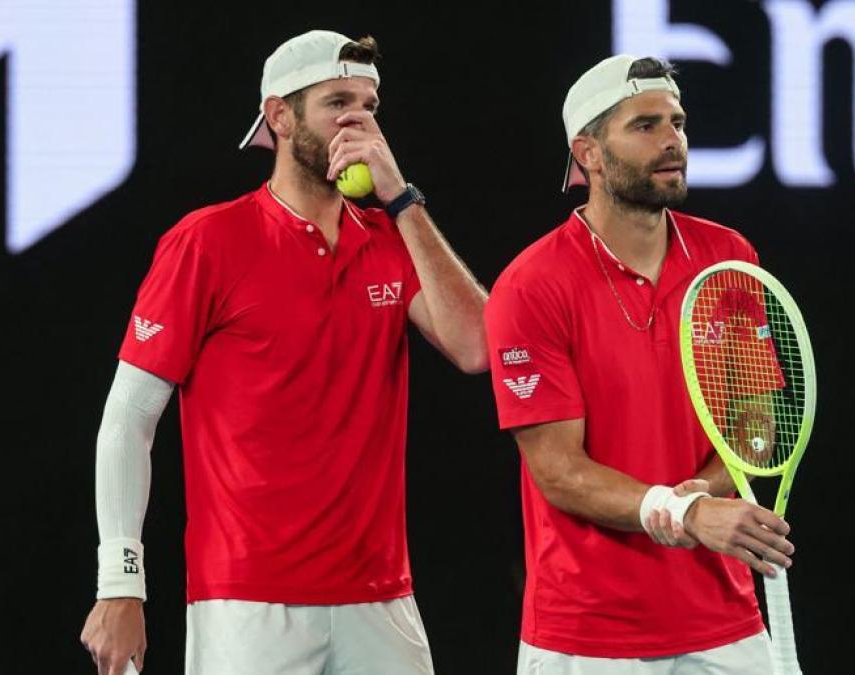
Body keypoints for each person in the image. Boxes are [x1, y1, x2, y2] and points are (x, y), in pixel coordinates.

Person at [79, 29, 488, 675]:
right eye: (337, 102)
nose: (359, 122)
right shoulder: (208, 240)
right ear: (280, 116)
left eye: (369, 106)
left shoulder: (388, 236)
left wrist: (403, 200)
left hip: (382, 597)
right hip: (247, 602)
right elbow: (129, 416)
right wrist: (120, 581)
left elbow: (480, 347)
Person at [484, 54, 796, 674]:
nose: (673, 141)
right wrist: (685, 513)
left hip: (723, 624)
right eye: (646, 125)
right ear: (589, 154)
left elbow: (755, 417)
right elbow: (559, 473)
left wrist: (704, 495)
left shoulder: (729, 256)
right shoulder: (530, 285)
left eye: (677, 123)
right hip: (586, 638)